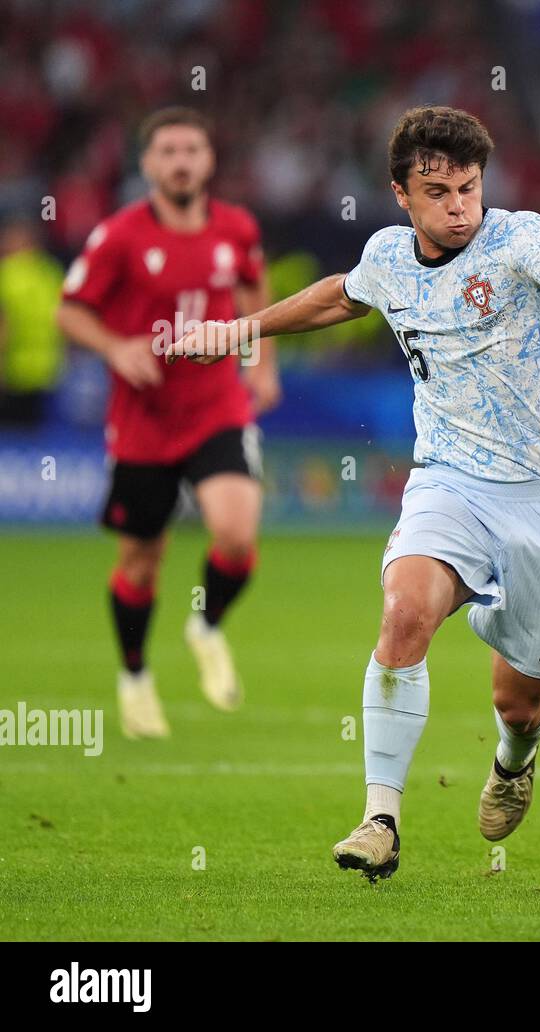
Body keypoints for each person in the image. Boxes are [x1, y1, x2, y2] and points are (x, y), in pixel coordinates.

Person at [169, 105, 540, 880]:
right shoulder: (389, 257)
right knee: (405, 611)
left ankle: (513, 760)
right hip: (449, 483)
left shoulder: (521, 239)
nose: (458, 207)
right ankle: (380, 818)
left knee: (520, 700)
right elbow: (342, 295)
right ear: (400, 193)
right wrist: (240, 333)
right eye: (437, 191)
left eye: (469, 188)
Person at [56, 107, 281, 740]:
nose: (181, 161)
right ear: (149, 164)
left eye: (192, 150)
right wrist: (115, 348)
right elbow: (71, 311)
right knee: (141, 564)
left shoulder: (237, 228)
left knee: (236, 536)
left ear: (209, 161)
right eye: (169, 151)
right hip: (143, 421)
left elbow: (254, 295)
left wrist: (262, 364)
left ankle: (204, 626)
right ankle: (134, 677)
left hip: (216, 406)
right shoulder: (119, 236)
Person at [0, 217, 66, 427]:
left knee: (10, 440)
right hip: (48, 369)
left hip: (12, 370)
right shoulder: (51, 272)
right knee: (39, 439)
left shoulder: (6, 273)